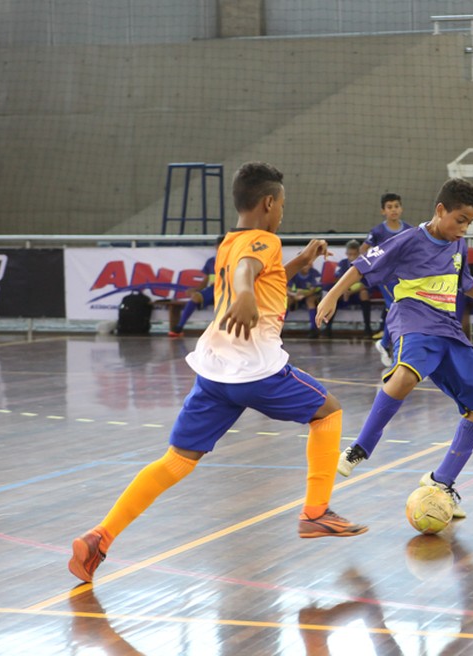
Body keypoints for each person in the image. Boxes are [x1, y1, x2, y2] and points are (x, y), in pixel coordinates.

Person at [68, 162, 367, 584]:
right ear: (268, 203)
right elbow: (249, 271)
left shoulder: (232, 241)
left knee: (176, 461)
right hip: (257, 370)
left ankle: (100, 536)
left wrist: (301, 259)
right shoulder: (262, 240)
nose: (282, 211)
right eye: (281, 204)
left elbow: (263, 272)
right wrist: (244, 294)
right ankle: (316, 512)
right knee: (329, 413)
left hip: (215, 372)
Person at [317, 178, 473, 517]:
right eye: (460, 220)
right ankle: (361, 447)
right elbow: (361, 265)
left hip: (449, 330)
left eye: (470, 222)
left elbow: (465, 283)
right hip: (413, 320)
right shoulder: (408, 240)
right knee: (405, 376)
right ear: (440, 210)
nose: (464, 228)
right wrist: (332, 295)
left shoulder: (459, 246)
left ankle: (441, 482)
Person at [361, 192, 413, 366]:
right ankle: (398, 351)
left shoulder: (409, 229)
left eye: (396, 206)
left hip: (405, 278)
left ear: (401, 208)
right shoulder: (377, 231)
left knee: (400, 311)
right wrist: (377, 265)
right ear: (383, 211)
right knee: (397, 310)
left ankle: (384, 344)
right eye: (389, 207)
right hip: (387, 278)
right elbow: (364, 251)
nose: (394, 210)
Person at [169, 237, 222, 338]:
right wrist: (197, 289)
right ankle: (179, 327)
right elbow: (207, 279)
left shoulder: (233, 260)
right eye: (218, 247)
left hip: (226, 290)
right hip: (212, 290)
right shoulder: (211, 261)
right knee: (195, 297)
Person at [329, 239, 374, 337]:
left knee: (364, 293)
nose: (352, 257)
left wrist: (351, 291)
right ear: (346, 253)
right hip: (345, 293)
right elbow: (337, 280)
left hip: (357, 293)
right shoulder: (342, 263)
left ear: (358, 253)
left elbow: (367, 283)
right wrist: (345, 290)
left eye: (354, 254)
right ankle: (327, 328)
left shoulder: (365, 263)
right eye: (349, 254)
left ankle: (367, 328)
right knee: (335, 294)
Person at [289, 263, 324, 338]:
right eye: (304, 263)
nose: (307, 266)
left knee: (310, 300)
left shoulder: (315, 273)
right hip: (297, 296)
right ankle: (279, 327)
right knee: (287, 300)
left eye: (308, 264)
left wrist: (302, 295)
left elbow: (313, 290)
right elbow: (287, 289)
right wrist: (294, 295)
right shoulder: (292, 273)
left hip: (312, 295)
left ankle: (314, 329)